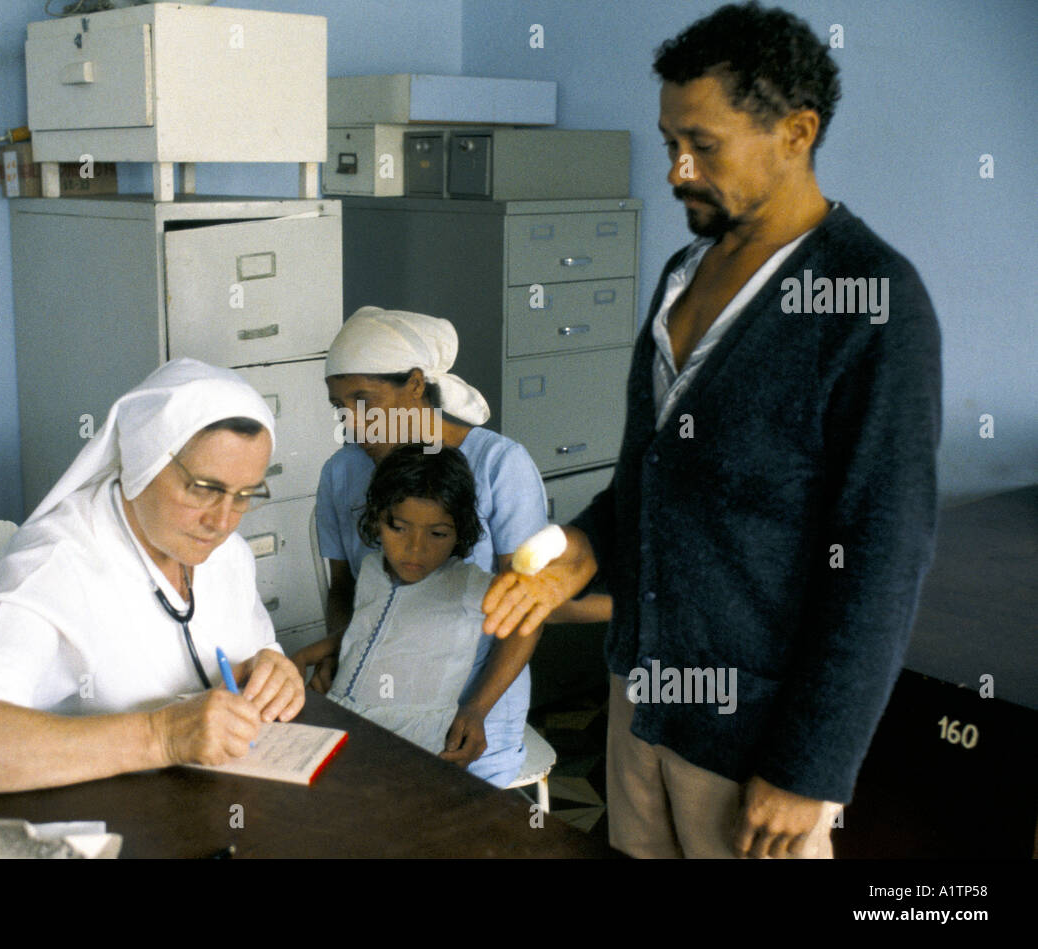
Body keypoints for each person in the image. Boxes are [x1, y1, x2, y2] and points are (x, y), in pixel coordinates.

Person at [484, 1, 941, 858]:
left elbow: (882, 558)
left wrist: (811, 767)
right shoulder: (681, 274)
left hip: (754, 743)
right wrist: (580, 551)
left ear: (797, 133)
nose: (677, 170)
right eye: (668, 143)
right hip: (640, 714)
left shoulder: (871, 301)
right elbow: (650, 483)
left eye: (704, 144)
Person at [0, 358, 305, 794]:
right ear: (143, 461)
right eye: (204, 489)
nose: (224, 521)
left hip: (200, 806)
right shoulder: (57, 565)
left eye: (245, 495)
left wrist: (268, 669)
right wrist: (161, 737)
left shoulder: (226, 553)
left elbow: (246, 654)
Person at [296, 306, 613, 787]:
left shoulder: (498, 466)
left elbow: (527, 608)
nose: (354, 424)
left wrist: (477, 708)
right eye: (340, 407)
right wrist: (348, 653)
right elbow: (345, 588)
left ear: (417, 385)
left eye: (365, 401)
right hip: (373, 698)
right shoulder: (342, 472)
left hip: (472, 715)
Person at [327, 444, 509, 779]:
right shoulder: (371, 568)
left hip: (413, 746)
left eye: (437, 534)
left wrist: (478, 709)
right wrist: (320, 650)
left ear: (460, 532)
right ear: (377, 517)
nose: (415, 548)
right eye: (398, 528)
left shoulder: (469, 586)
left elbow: (536, 619)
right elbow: (368, 628)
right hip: (339, 728)